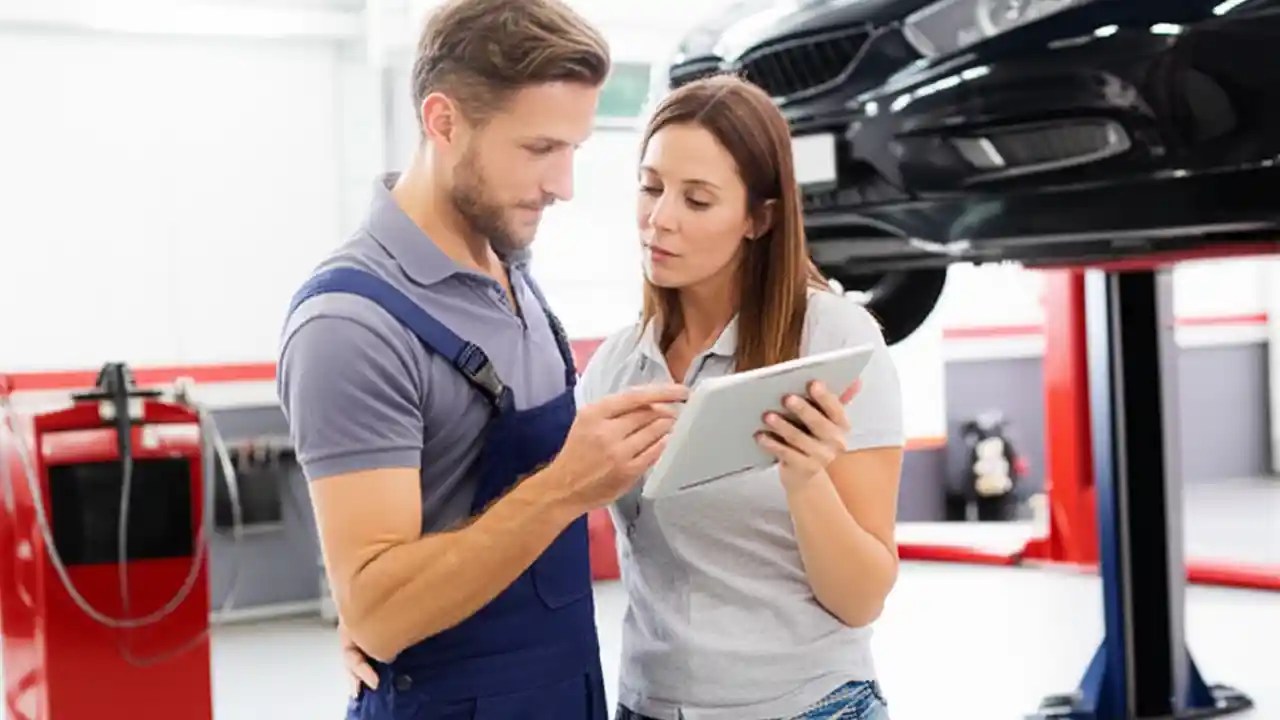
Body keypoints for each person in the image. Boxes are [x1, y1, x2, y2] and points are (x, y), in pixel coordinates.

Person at [275, 0, 688, 718]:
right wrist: (564, 487)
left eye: (573, 150)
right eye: (539, 150)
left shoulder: (510, 265)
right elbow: (376, 615)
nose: (562, 184)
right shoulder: (350, 323)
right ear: (443, 122)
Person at [580, 74, 905, 720]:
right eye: (650, 187)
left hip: (810, 706)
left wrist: (806, 479)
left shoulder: (831, 339)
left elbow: (862, 598)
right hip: (650, 704)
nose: (660, 219)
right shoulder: (617, 367)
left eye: (697, 200)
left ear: (760, 219)